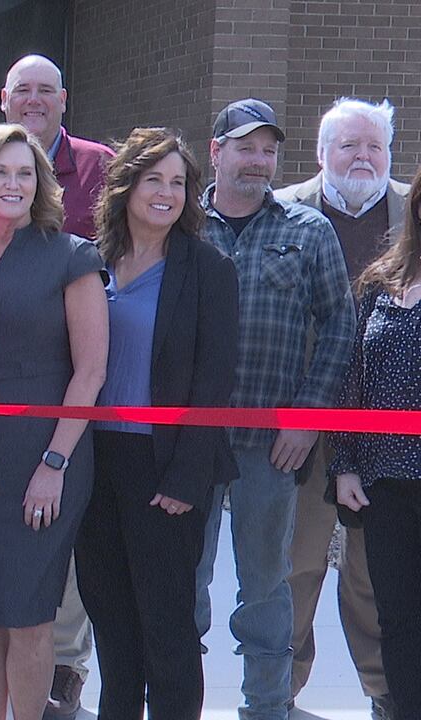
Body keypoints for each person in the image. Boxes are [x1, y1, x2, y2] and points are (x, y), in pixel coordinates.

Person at [0, 53, 113, 717]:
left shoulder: (72, 256)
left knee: (31, 613)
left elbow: (91, 370)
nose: (13, 184)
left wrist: (55, 464)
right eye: (0, 172)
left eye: (24, 173)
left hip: (42, 452)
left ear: (41, 184)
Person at [194, 98, 356, 720]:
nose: (259, 161)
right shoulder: (183, 225)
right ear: (216, 150)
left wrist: (308, 416)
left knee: (265, 589)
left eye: (268, 150)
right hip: (191, 444)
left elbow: (339, 327)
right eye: (245, 147)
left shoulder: (306, 230)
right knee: (186, 583)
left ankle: (265, 707)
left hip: (271, 444)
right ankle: (180, 698)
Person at [73, 127, 239, 720]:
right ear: (126, 186)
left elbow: (214, 385)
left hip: (165, 470)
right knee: (113, 626)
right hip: (94, 466)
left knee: (167, 632)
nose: (167, 193)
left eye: (179, 182)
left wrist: (185, 481)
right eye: (154, 180)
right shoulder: (89, 260)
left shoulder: (209, 269)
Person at [273, 97, 406, 719]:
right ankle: (282, 690)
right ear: (321, 153)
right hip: (304, 424)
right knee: (296, 569)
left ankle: (387, 694)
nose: (363, 157)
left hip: (389, 434)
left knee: (373, 579)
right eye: (349, 146)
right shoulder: (285, 211)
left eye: (374, 146)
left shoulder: (413, 209)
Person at [330, 167, 421, 720]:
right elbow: (352, 378)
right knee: (398, 617)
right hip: (385, 482)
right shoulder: (380, 281)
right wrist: (344, 463)